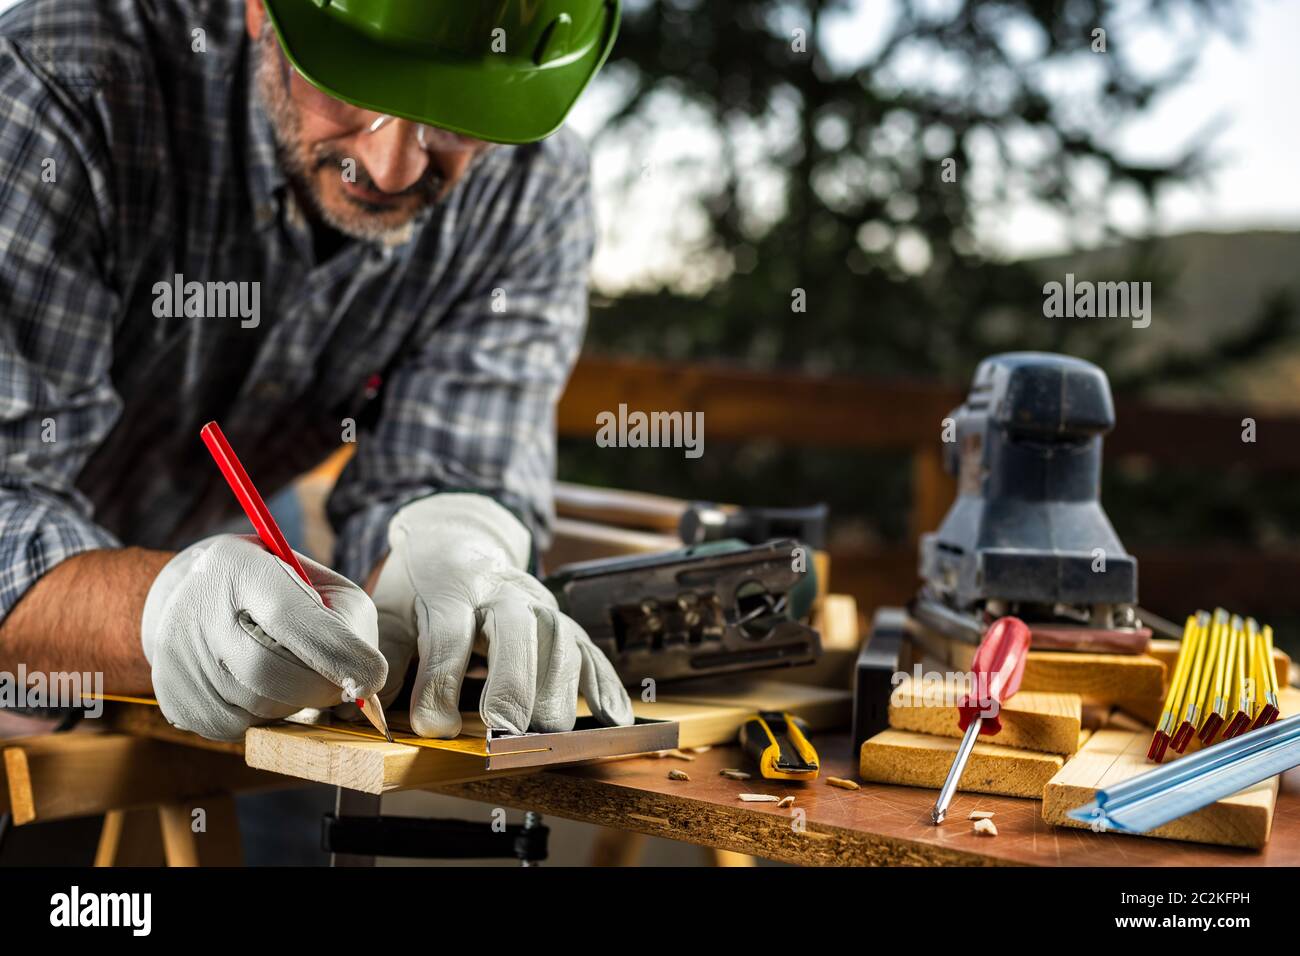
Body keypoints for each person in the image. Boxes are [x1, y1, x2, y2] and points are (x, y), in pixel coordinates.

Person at [0, 0, 634, 742]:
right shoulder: (60, 84)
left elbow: (450, 465)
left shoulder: (529, 183)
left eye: (460, 119)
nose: (390, 166)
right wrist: (149, 614)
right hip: (58, 555)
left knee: (303, 788)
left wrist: (450, 536)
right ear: (257, 10)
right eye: (348, 88)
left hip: (231, 535)